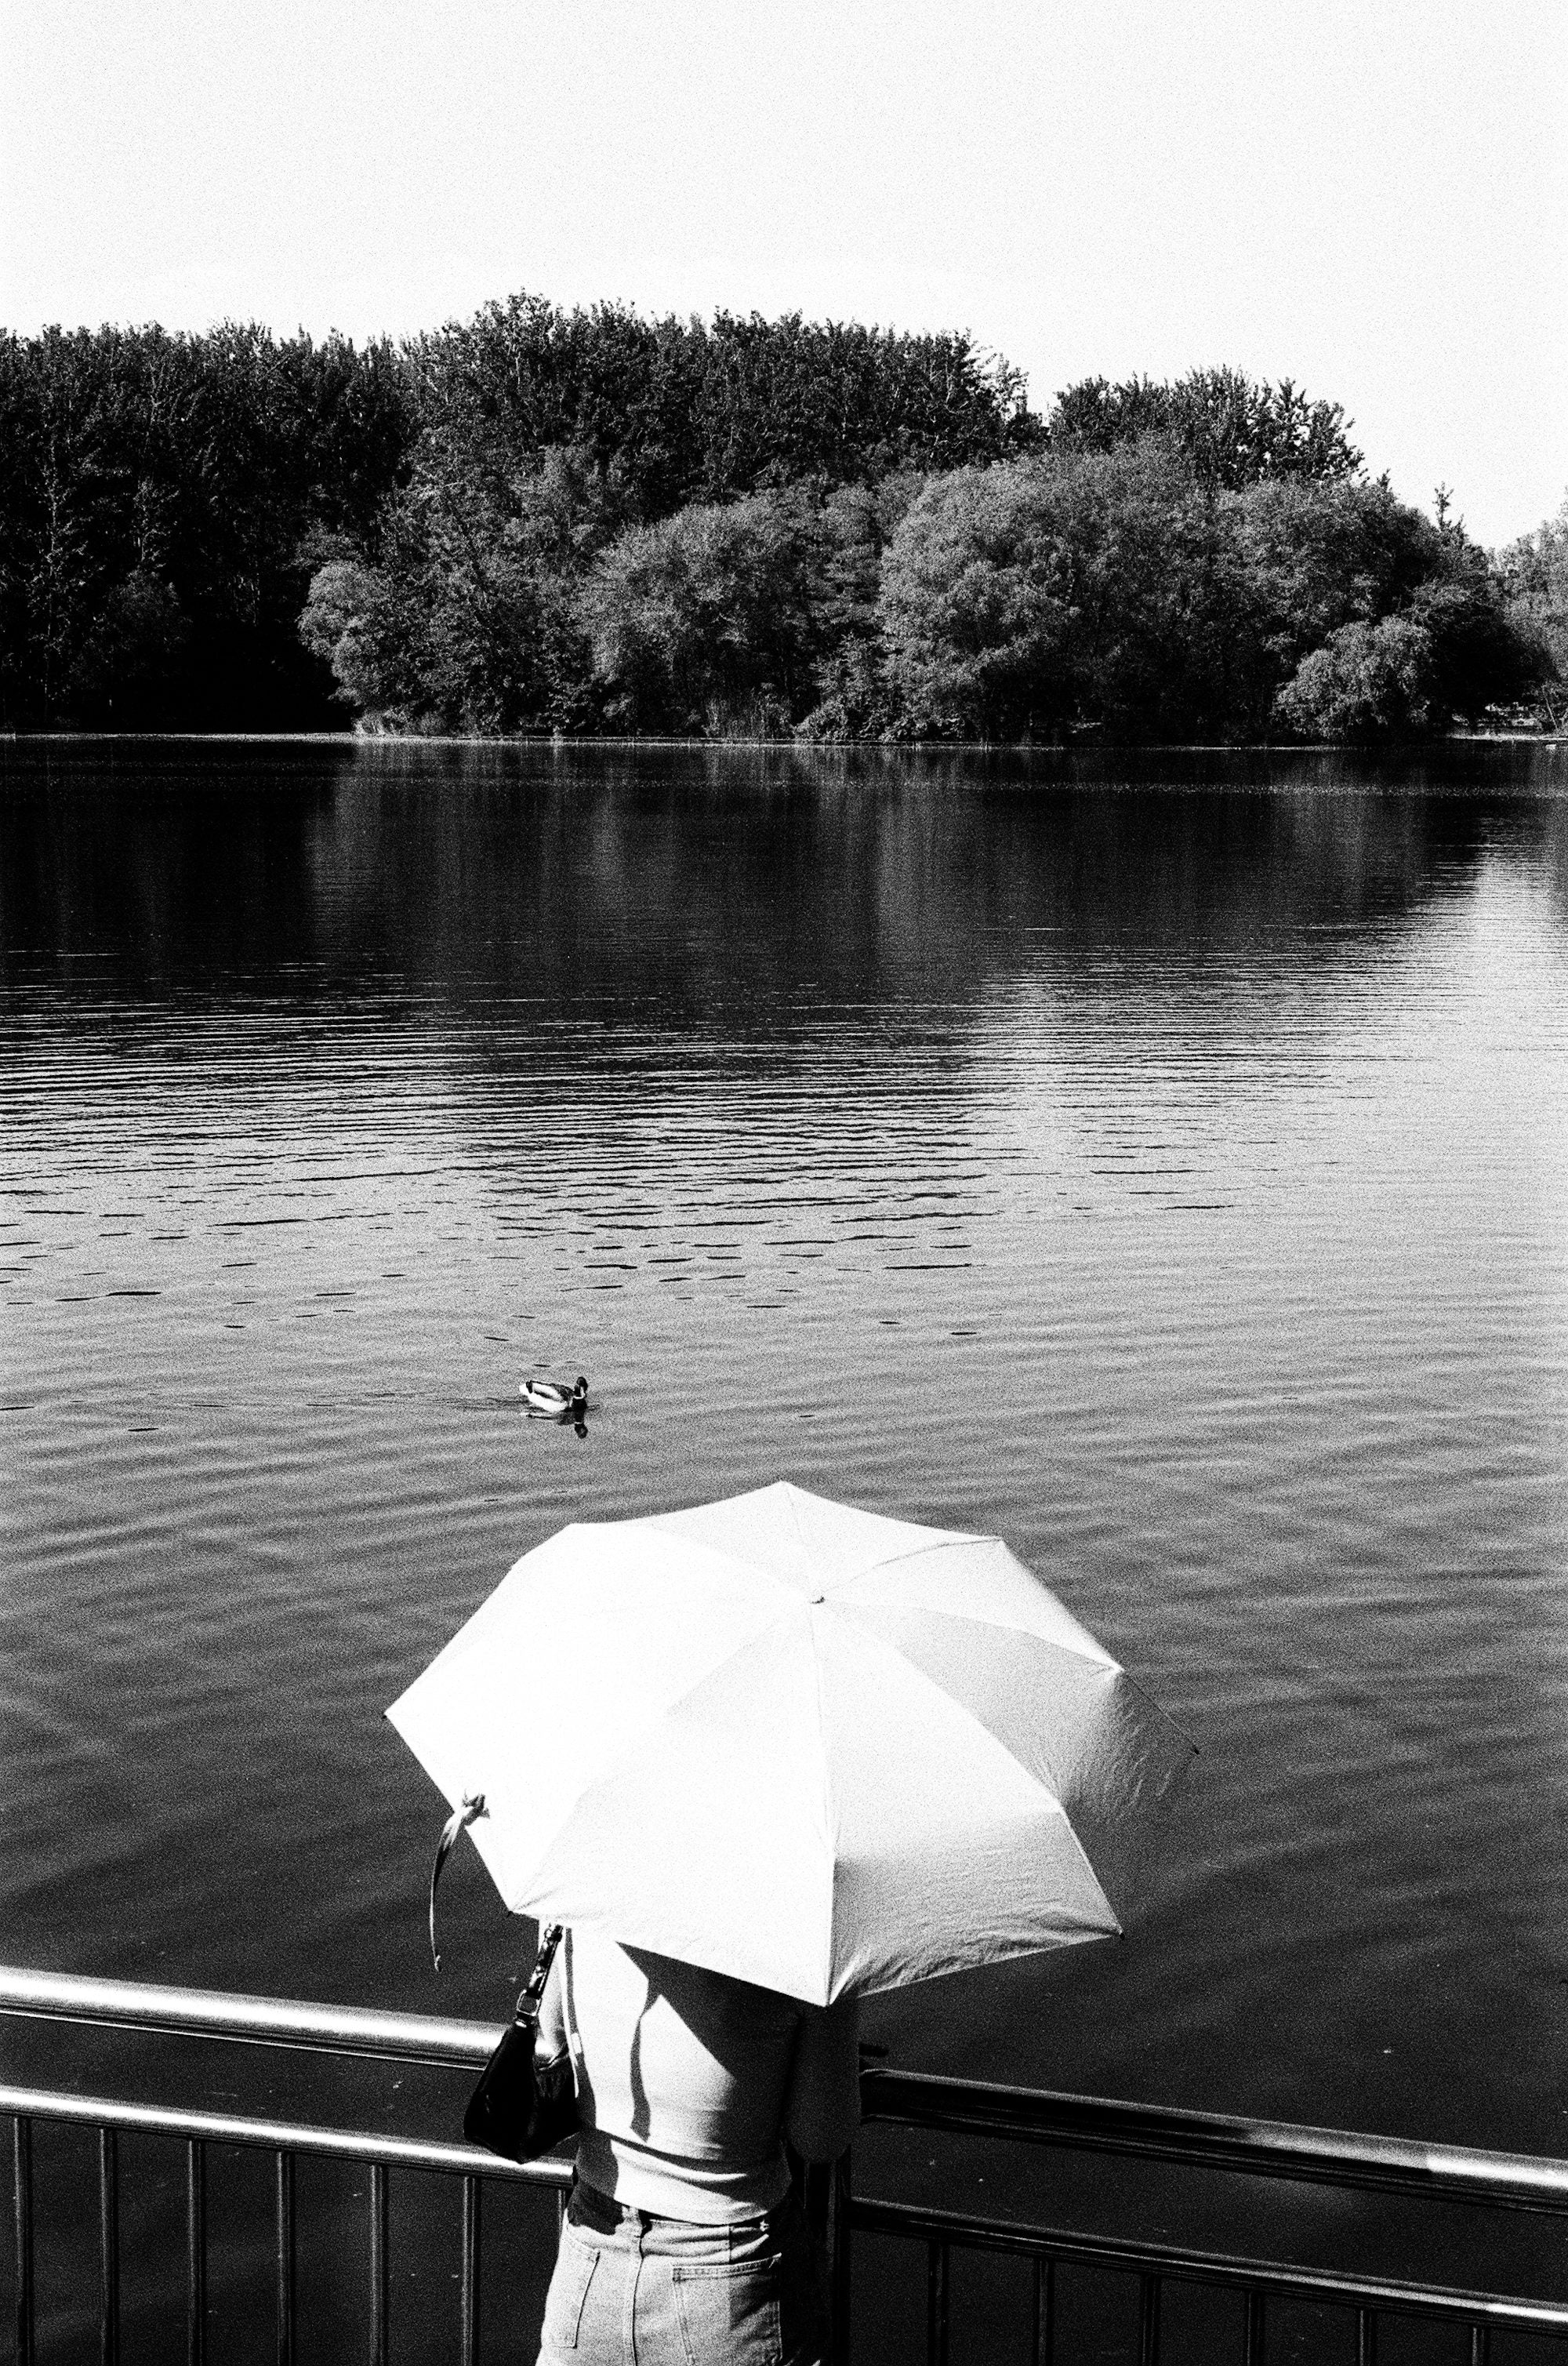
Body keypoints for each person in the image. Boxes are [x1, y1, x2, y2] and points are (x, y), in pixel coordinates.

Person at [533, 1924, 860, 2366]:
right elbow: (821, 2137)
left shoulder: (577, 1887)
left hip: (591, 2252)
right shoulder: (809, 1931)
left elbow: (554, 2043)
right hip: (731, 2275)